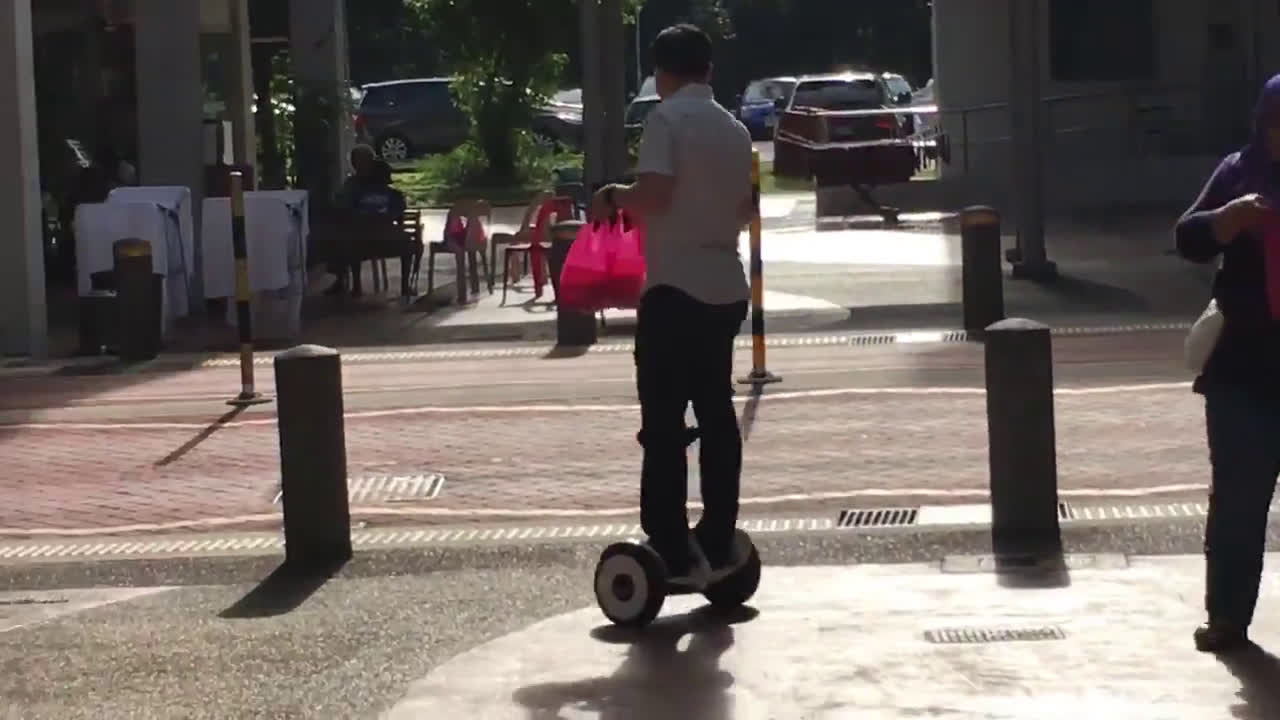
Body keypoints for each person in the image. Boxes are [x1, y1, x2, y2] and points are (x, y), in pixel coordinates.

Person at [591, 23, 756, 586]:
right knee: (715, 410)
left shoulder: (665, 120)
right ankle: (718, 529)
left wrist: (613, 197)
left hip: (673, 289)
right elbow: (743, 207)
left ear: (661, 74)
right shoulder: (735, 129)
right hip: (725, 285)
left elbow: (655, 195)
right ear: (708, 70)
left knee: (663, 421)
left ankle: (670, 542)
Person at [1175, 73, 1280, 653]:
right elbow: (1188, 237)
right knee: (1239, 504)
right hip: (1243, 373)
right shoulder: (1238, 174)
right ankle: (1228, 618)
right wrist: (1223, 222)